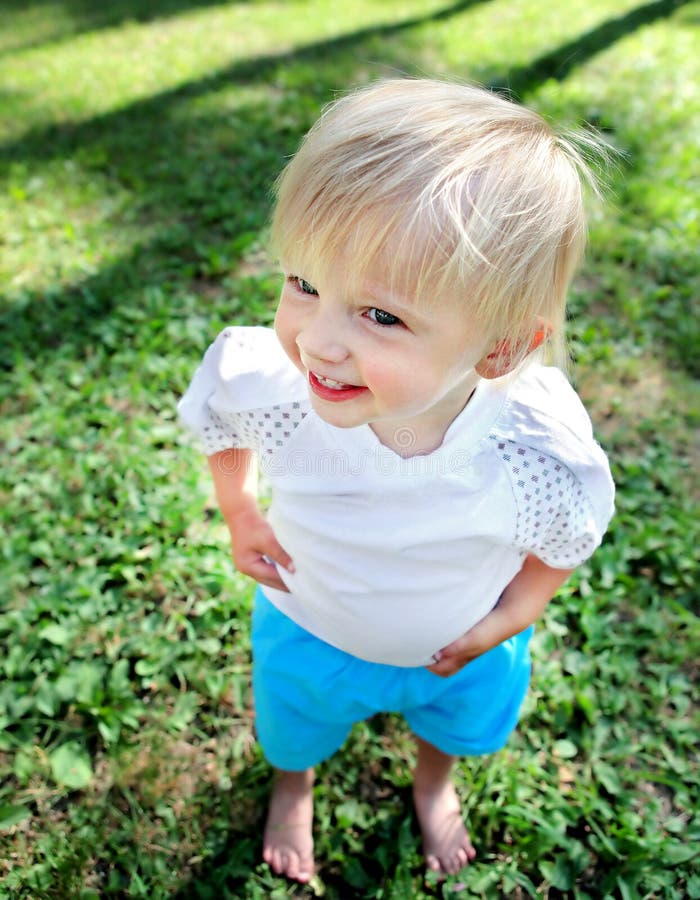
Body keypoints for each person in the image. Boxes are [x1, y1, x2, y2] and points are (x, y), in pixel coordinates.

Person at [178, 78, 615, 884]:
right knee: (294, 722)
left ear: (500, 350)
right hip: (308, 620)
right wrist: (239, 509)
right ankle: (292, 783)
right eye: (305, 283)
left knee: (452, 728)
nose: (319, 342)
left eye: (381, 316)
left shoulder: (530, 451)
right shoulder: (274, 385)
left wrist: (511, 618)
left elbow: (564, 539)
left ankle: (434, 783)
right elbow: (224, 424)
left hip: (459, 646)